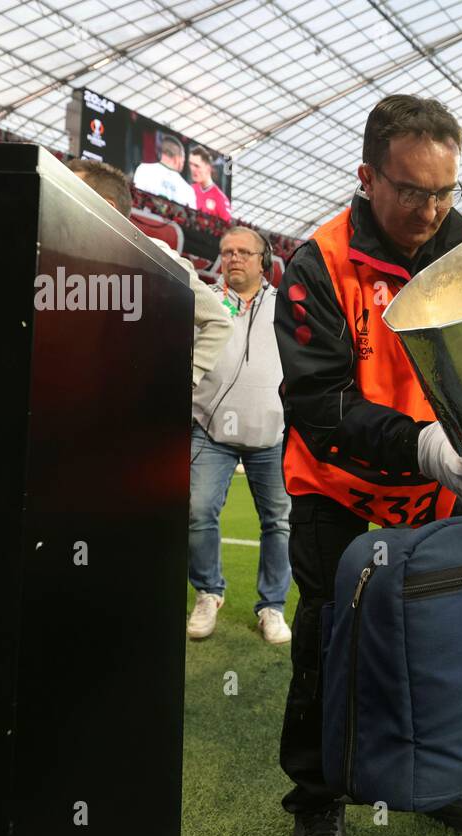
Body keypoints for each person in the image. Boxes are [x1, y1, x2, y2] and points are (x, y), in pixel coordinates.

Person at [273, 94, 462, 836]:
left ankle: (432, 772)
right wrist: (427, 446)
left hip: (438, 488)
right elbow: (320, 403)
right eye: (412, 191)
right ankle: (317, 794)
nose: (431, 209)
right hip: (336, 483)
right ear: (369, 176)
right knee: (328, 635)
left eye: (446, 191)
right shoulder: (319, 262)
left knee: (440, 630)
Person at [187, 226, 291, 644]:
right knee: (196, 512)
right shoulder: (205, 300)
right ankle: (209, 593)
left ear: (263, 260)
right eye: (226, 252)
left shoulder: (285, 306)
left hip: (272, 432)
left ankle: (272, 606)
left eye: (243, 252)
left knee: (279, 523)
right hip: (210, 428)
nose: (233, 259)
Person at [67, 158, 231, 389]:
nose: (59, 198)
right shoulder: (61, 250)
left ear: (107, 207)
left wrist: (184, 380)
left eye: (68, 191)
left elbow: (219, 320)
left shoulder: (157, 259)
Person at [132, 135, 197, 208]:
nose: (183, 163)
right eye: (183, 160)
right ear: (177, 158)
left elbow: (136, 200)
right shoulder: (187, 190)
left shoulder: (143, 169)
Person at [189, 146, 232, 223]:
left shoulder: (221, 199)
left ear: (208, 168)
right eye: (191, 165)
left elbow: (226, 227)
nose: (192, 169)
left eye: (196, 166)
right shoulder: (189, 189)